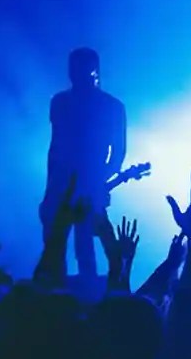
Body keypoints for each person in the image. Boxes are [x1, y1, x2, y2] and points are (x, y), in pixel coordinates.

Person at [39, 48, 126, 279]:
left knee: (80, 245)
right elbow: (55, 147)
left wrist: (96, 180)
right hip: (63, 184)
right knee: (61, 244)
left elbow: (118, 153)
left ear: (93, 70)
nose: (74, 73)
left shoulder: (111, 106)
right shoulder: (60, 102)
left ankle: (75, 296)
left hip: (82, 183)